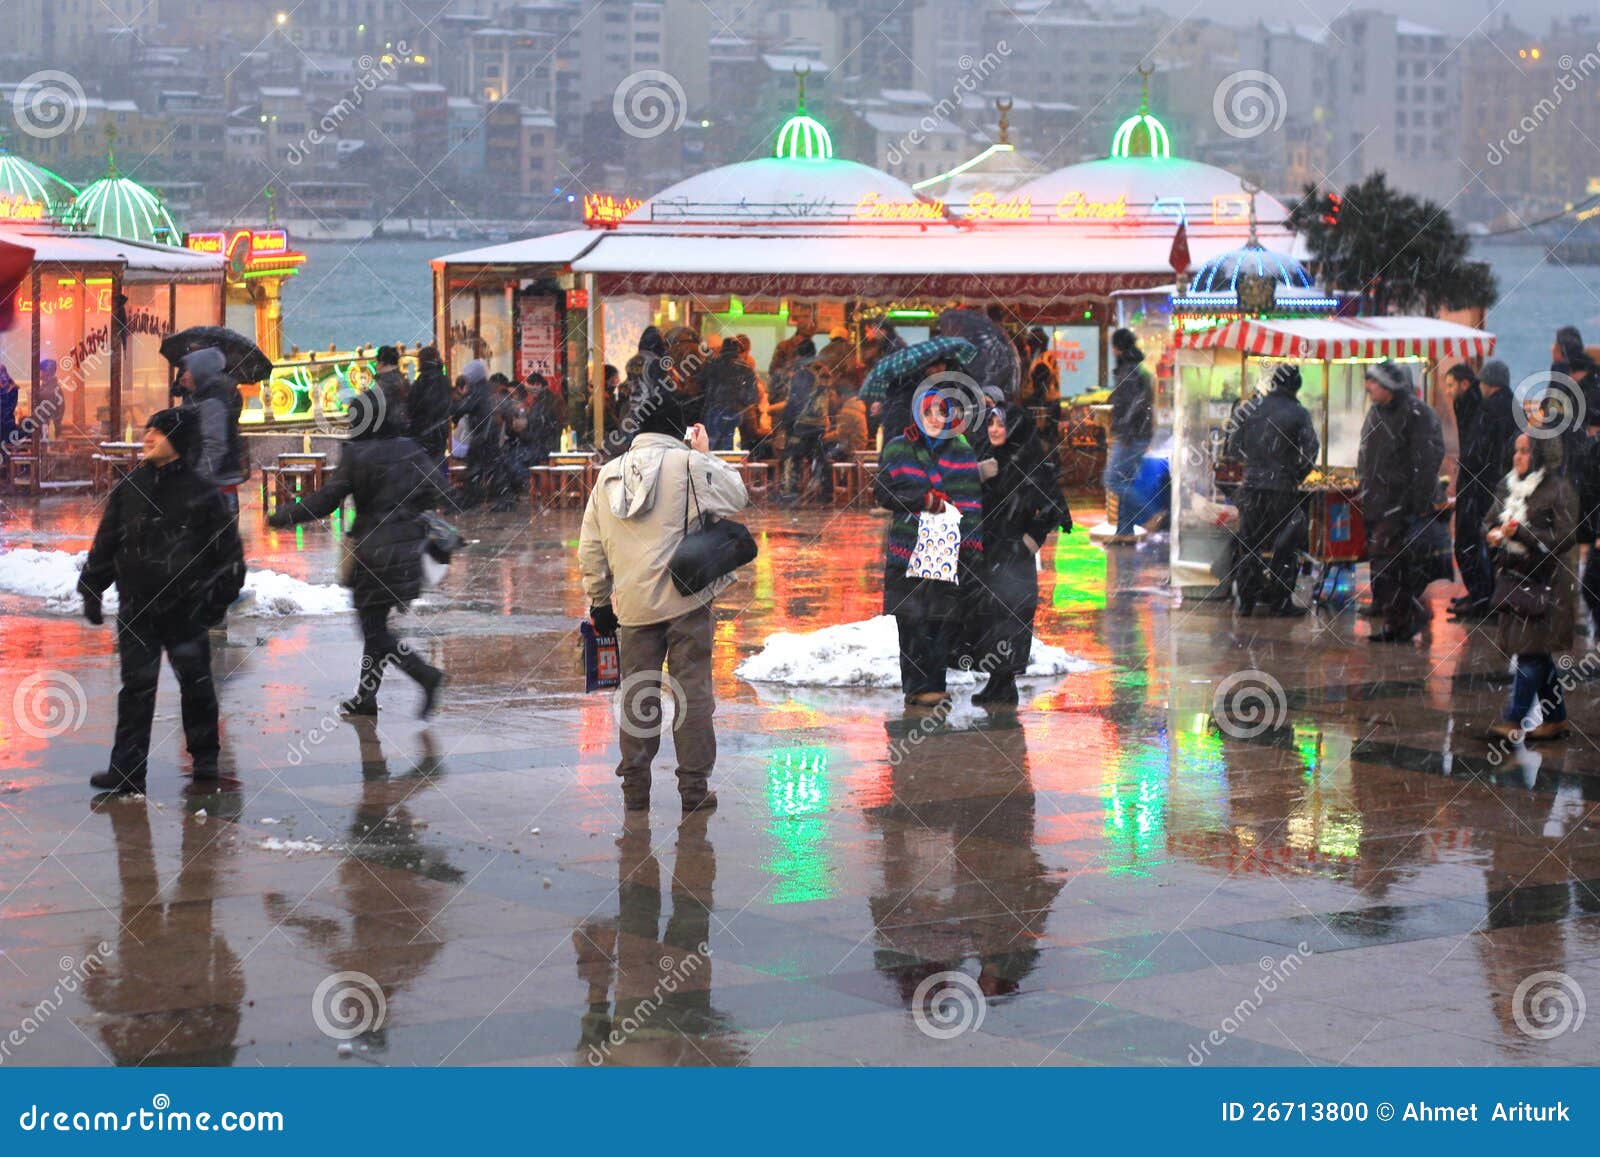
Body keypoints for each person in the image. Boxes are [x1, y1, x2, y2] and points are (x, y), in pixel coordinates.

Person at [577, 383, 748, 814]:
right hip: (686, 598)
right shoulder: (690, 464)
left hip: (632, 605)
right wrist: (705, 454)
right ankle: (693, 788)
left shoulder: (607, 475)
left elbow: (591, 547)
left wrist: (600, 601)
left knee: (637, 695)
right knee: (691, 691)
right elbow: (737, 496)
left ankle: (635, 789)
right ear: (679, 428)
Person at [77, 407, 245, 792]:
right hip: (137, 608)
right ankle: (127, 771)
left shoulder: (202, 492)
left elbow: (229, 555)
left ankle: (204, 763)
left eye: (158, 431)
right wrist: (92, 586)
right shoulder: (131, 487)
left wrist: (215, 601)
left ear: (178, 441)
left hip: (186, 610)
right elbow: (107, 541)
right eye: (147, 429)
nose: (147, 437)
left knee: (197, 685)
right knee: (136, 688)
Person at [268, 392, 447, 718]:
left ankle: (425, 675)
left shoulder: (358, 455)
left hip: (374, 553)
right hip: (408, 552)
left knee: (374, 630)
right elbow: (439, 491)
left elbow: (326, 500)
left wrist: (284, 516)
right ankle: (365, 697)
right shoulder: (411, 450)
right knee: (375, 625)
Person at [874, 389, 983, 709]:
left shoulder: (961, 451)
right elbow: (882, 494)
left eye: (941, 413)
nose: (935, 420)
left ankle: (935, 684)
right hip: (906, 548)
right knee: (910, 619)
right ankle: (916, 686)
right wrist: (921, 501)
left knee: (940, 618)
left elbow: (971, 501)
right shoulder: (897, 448)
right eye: (928, 413)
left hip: (946, 551)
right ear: (918, 416)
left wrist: (971, 545)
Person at [969, 397, 1073, 706]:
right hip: (989, 551)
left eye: (1001, 423)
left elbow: (1051, 505)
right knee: (989, 615)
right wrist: (979, 477)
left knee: (1011, 614)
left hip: (1015, 556)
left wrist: (1030, 540)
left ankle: (1005, 682)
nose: (995, 429)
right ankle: (996, 680)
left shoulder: (1028, 461)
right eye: (991, 422)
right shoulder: (988, 458)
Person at [1485, 434, 1578, 743]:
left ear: (1539, 456)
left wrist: (1522, 533)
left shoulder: (1559, 489)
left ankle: (1514, 718)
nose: (1518, 457)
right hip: (1518, 579)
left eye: (1525, 451)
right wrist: (1493, 533)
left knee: (1531, 651)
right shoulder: (1507, 485)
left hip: (1549, 583)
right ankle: (1556, 719)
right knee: (1536, 652)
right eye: (1517, 450)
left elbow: (1563, 538)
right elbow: (1488, 520)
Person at [1357, 360, 1446, 643]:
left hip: (1400, 506)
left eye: (1374, 382)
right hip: (1378, 502)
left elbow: (1427, 460)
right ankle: (1402, 620)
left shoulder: (1418, 413)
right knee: (1389, 566)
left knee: (1391, 565)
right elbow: (1366, 454)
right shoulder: (1376, 413)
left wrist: (1414, 505)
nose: (1368, 387)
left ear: (1390, 386)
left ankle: (1404, 618)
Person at [1226, 363, 1319, 617]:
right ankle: (1280, 602)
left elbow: (1234, 450)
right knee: (1284, 546)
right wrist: (1295, 474)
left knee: (1250, 545)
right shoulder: (1298, 413)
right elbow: (1311, 451)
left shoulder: (1251, 409)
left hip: (1252, 488)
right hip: (1281, 490)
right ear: (1295, 386)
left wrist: (1255, 466)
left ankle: (1246, 602)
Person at [1447, 362, 1510, 619]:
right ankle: (1482, 597)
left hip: (1480, 488)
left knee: (1470, 543)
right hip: (1492, 487)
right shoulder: (1505, 406)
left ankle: (1482, 599)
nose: (1448, 392)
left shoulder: (1489, 409)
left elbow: (1477, 452)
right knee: (1485, 545)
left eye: (1451, 386)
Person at [175, 347, 249, 513]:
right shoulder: (200, 396)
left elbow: (214, 445)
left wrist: (199, 480)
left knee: (216, 536)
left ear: (199, 372)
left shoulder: (211, 401)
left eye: (187, 370)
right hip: (216, 483)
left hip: (216, 485)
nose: (184, 375)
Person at [1104, 328, 1153, 544]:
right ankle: (1125, 531)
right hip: (1138, 432)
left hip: (1131, 434)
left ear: (1118, 347)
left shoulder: (1129, 369)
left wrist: (1125, 429)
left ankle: (1151, 514)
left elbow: (1135, 403)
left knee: (1112, 479)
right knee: (1125, 480)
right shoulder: (1135, 367)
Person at [777, 338, 826, 502]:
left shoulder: (803, 373)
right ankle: (819, 492)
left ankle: (790, 491)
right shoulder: (821, 370)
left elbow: (795, 401)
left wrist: (786, 424)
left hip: (802, 424)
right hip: (818, 424)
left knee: (792, 457)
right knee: (815, 458)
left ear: (800, 355)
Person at [450, 359, 499, 507]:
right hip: (486, 434)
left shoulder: (477, 391)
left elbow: (464, 407)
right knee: (487, 466)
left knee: (475, 466)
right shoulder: (485, 388)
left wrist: (452, 407)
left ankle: (473, 498)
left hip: (482, 435)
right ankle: (491, 496)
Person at [699, 334, 757, 451]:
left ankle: (709, 467)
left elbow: (700, 388)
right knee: (731, 448)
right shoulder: (746, 369)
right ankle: (729, 466)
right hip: (735, 413)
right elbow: (751, 397)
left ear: (722, 349)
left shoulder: (710, 366)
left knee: (710, 448)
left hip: (713, 412)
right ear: (738, 350)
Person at [409, 345, 452, 471]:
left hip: (422, 433)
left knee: (424, 468)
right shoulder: (444, 380)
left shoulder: (420, 382)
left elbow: (412, 408)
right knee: (438, 464)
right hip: (440, 432)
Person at [372, 344, 411, 436]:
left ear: (381, 363)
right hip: (403, 427)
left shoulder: (384, 382)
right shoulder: (402, 379)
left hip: (388, 430)